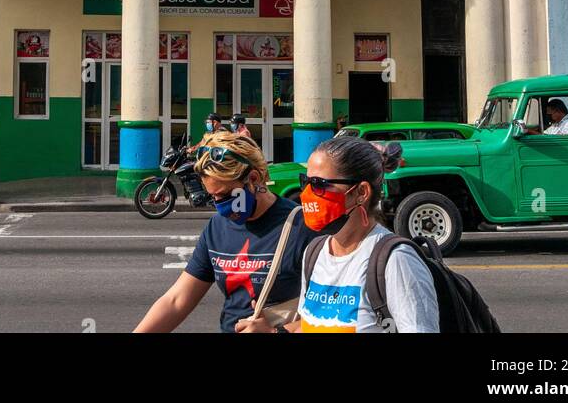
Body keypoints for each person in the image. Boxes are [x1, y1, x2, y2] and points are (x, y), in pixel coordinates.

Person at [237, 136, 440, 334]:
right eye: (305, 181)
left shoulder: (396, 260)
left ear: (361, 192)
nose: (307, 193)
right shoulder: (315, 252)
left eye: (319, 184)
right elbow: (308, 325)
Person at [134, 131, 315, 334]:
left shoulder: (303, 228)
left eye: (226, 195)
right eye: (213, 198)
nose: (220, 206)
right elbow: (177, 300)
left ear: (253, 179)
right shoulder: (217, 227)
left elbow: (337, 316)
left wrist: (277, 332)